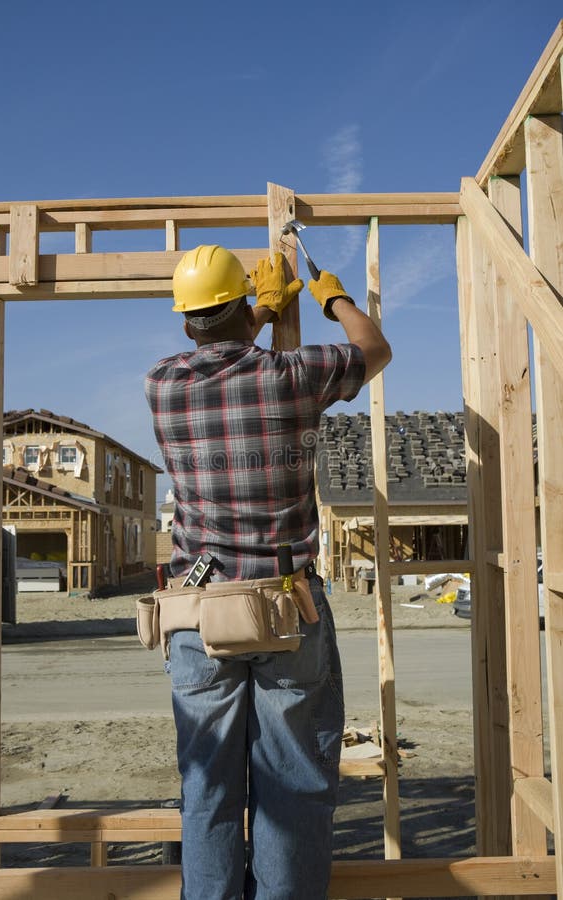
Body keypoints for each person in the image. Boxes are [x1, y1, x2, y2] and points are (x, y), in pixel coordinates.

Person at [145, 244, 391, 900]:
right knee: (293, 786)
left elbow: (219, 345)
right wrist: (330, 297)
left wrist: (259, 309)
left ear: (185, 321)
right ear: (235, 308)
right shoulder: (296, 374)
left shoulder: (161, 383)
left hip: (200, 601)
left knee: (208, 792)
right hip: (286, 602)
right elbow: (376, 348)